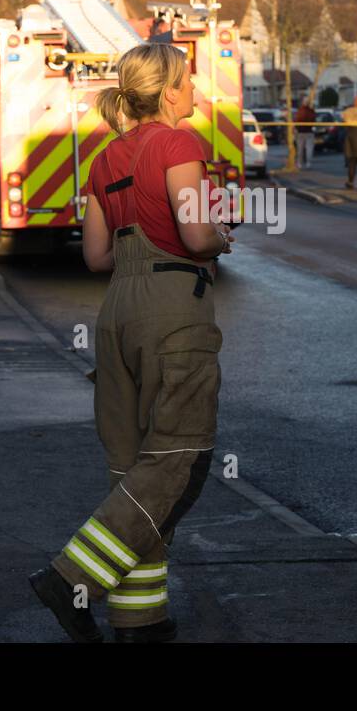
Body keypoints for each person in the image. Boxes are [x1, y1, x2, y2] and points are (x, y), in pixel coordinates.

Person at [29, 43, 234, 644]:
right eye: (190, 79)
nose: (196, 88)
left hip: (118, 309)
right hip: (174, 308)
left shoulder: (105, 158)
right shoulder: (179, 145)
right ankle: (69, 579)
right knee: (178, 461)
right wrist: (223, 235)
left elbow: (96, 256)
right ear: (169, 92)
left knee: (134, 470)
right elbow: (195, 233)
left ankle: (139, 620)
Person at [294, 98, 317, 169]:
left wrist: (296, 129)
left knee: (300, 148)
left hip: (300, 132)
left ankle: (299, 163)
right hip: (309, 132)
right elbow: (314, 120)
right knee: (309, 148)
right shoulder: (311, 111)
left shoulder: (299, 111)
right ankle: (308, 163)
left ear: (302, 103)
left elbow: (296, 120)